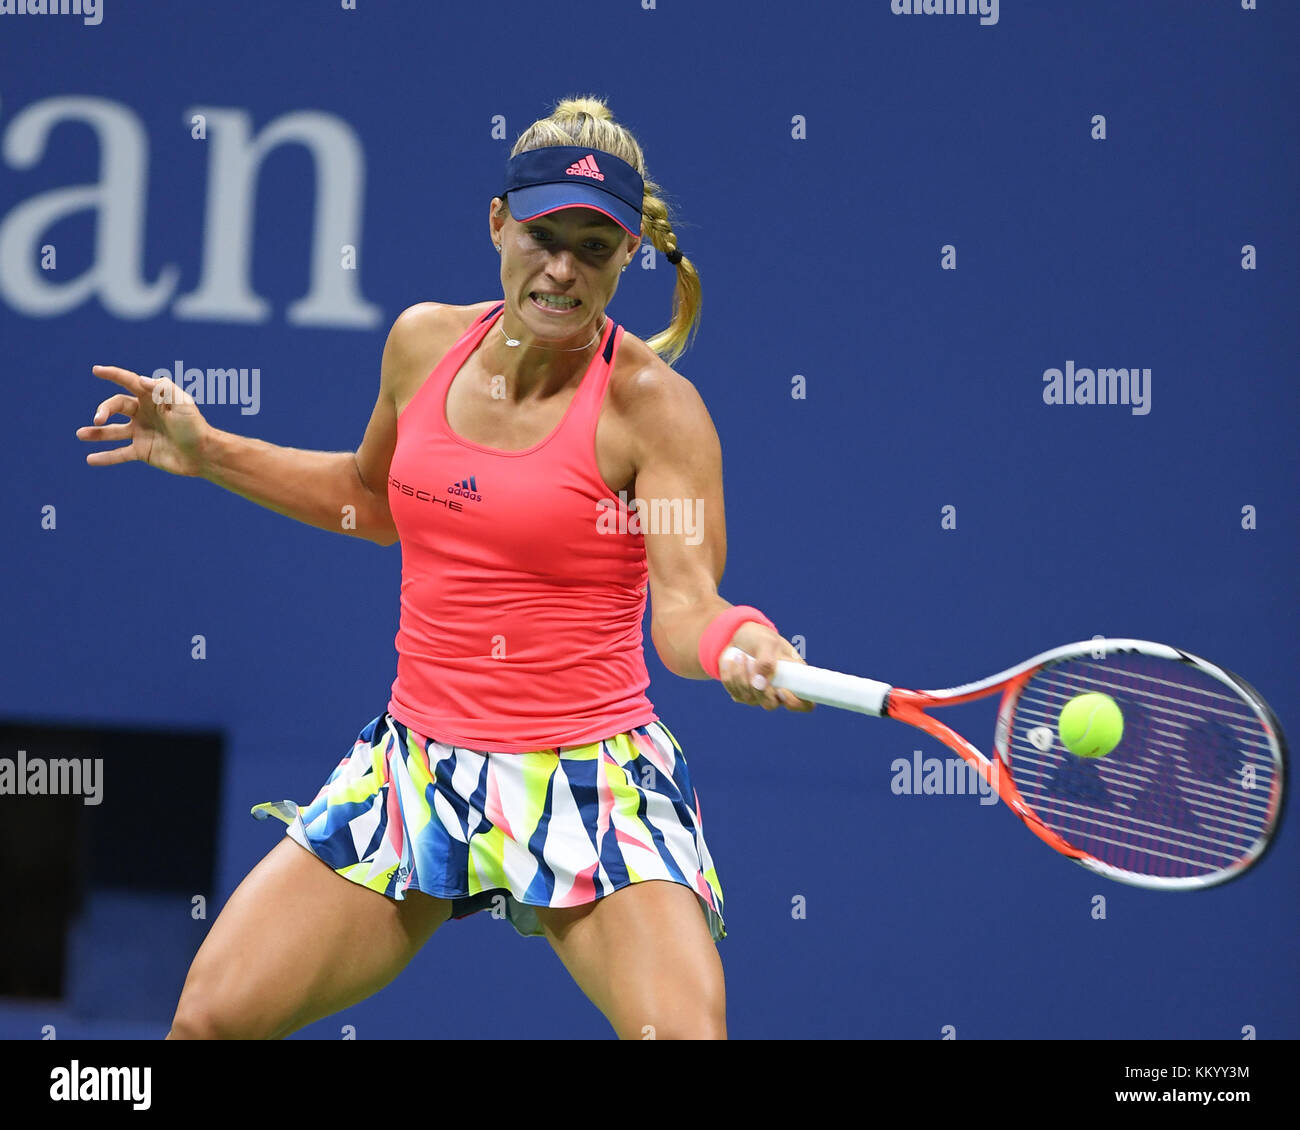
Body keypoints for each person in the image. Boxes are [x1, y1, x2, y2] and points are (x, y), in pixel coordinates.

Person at [75, 95, 812, 1041]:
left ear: (628, 257)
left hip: (589, 778)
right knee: (208, 1023)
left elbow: (684, 605)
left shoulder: (656, 412)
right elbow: (372, 498)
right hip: (416, 766)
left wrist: (737, 641)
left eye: (595, 247)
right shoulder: (423, 343)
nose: (562, 269)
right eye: (544, 234)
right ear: (498, 221)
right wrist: (207, 447)